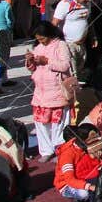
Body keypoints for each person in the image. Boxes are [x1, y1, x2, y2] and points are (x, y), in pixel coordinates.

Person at [26, 22, 75, 159]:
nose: (41, 41)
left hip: (57, 91)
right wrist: (30, 61)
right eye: (38, 39)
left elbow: (65, 65)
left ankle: (60, 149)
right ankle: (46, 151)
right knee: (41, 123)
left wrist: (47, 61)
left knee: (58, 123)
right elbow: (32, 68)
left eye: (42, 38)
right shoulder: (38, 47)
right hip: (41, 92)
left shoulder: (61, 45)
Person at [55, 123, 102, 202]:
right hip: (67, 184)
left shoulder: (87, 147)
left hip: (84, 177)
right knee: (84, 194)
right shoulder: (67, 155)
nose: (96, 141)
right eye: (92, 139)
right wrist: (90, 187)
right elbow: (70, 180)